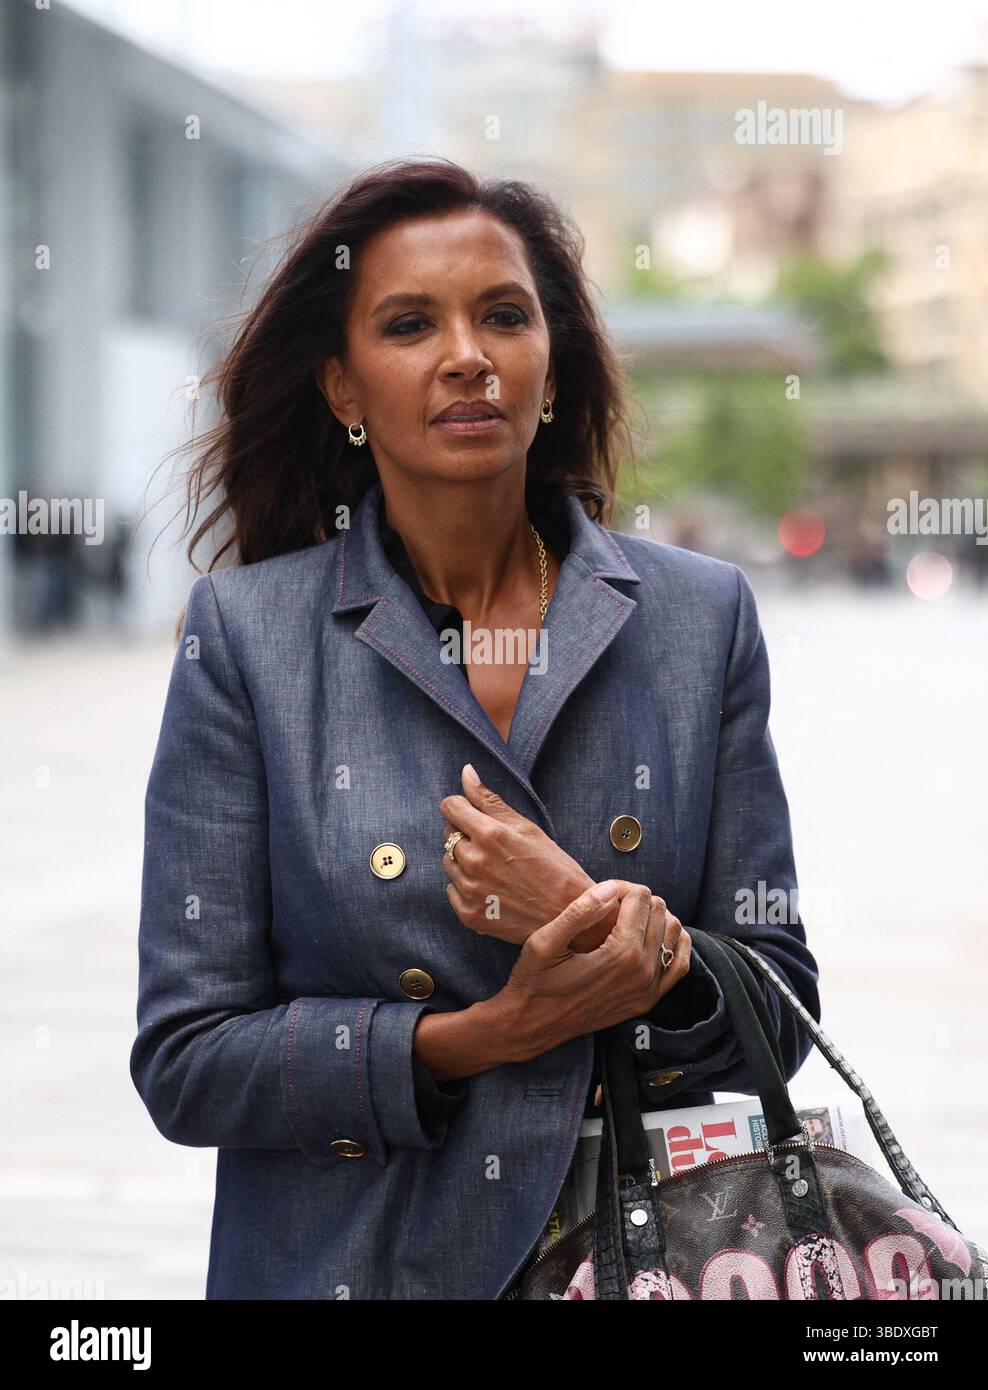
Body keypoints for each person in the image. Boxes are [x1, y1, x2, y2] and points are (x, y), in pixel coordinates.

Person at [129, 158, 820, 1301]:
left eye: (504, 315)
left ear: (549, 368)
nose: (468, 355)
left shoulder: (697, 620)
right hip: (356, 1260)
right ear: (344, 391)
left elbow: (779, 1006)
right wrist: (486, 1032)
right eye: (410, 324)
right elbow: (188, 1060)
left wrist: (599, 926)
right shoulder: (247, 639)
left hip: (653, 1257)